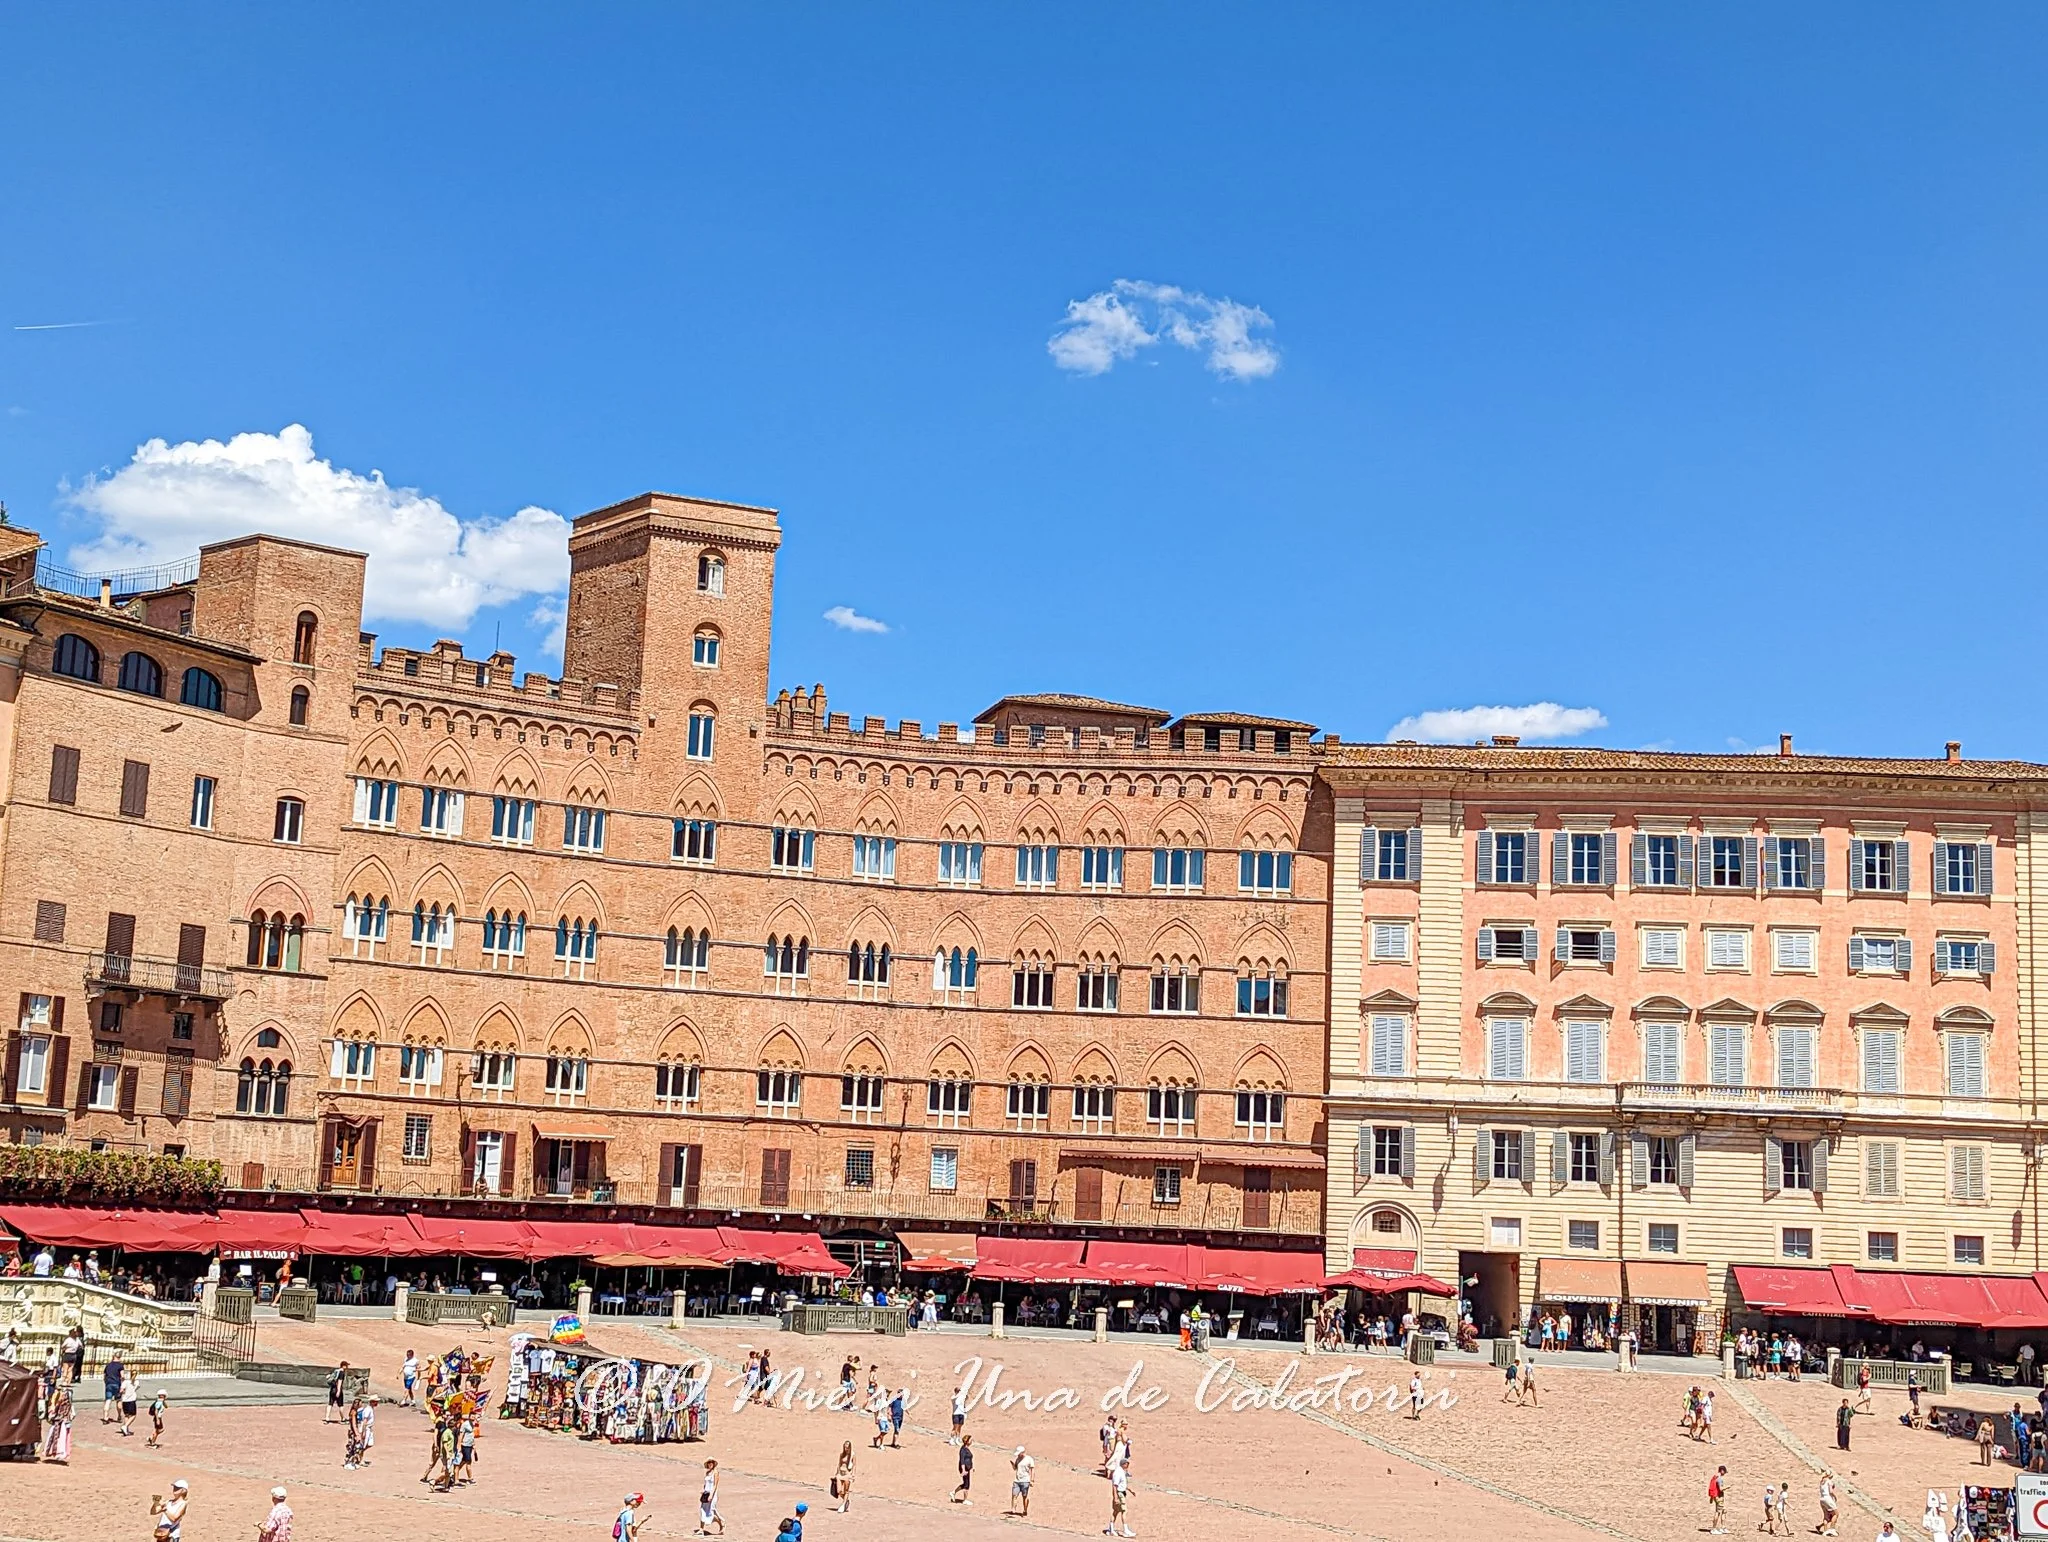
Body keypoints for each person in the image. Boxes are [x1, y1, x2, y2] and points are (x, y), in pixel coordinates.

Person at [41, 1382, 71, 1462]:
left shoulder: (65, 1395)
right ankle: (56, 1452)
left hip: (61, 1418)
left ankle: (59, 1452)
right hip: (59, 1418)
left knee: (61, 1435)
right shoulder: (59, 1395)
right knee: (57, 1435)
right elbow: (55, 1406)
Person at [1108, 1453, 1135, 1538]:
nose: (1128, 1466)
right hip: (1119, 1494)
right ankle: (1126, 1530)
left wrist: (1130, 1490)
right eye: (1127, 1464)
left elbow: (1122, 1484)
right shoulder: (1118, 1473)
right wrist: (1115, 1497)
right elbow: (1115, 1486)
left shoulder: (1122, 1472)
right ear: (1123, 1464)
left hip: (1122, 1492)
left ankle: (1111, 1529)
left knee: (1116, 1512)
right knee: (1124, 1511)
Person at [696, 1458, 724, 1535]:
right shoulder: (707, 1473)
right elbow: (705, 1484)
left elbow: (715, 1485)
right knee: (702, 1509)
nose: (710, 1464)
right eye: (709, 1462)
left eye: (711, 1462)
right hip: (706, 1494)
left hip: (712, 1494)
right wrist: (703, 1490)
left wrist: (711, 1495)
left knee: (711, 1511)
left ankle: (721, 1523)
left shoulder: (715, 1473)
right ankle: (701, 1529)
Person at [1011, 1445, 1036, 1517]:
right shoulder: (1018, 1459)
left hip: (1025, 1480)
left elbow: (1032, 1470)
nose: (1018, 1455)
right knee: (1014, 1495)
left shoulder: (1029, 1459)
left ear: (1022, 1452)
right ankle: (1013, 1509)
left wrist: (1032, 1480)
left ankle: (1025, 1510)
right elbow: (1015, 1468)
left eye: (1019, 1453)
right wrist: (1013, 1465)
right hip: (1017, 1480)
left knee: (1024, 1496)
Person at [103, 1349, 125, 1424]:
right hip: (117, 1384)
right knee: (118, 1400)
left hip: (109, 1384)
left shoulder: (108, 1365)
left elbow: (104, 1376)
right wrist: (122, 1385)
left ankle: (105, 1417)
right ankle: (119, 1416)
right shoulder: (120, 1366)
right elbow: (122, 1376)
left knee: (108, 1401)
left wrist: (106, 1383)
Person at [953, 1432, 975, 1504]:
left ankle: (953, 1492)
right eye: (970, 1440)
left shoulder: (966, 1449)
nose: (972, 1441)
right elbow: (962, 1460)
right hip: (964, 1468)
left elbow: (969, 1459)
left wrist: (972, 1467)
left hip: (967, 1468)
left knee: (965, 1483)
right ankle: (965, 1500)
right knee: (967, 1484)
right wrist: (963, 1470)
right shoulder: (963, 1450)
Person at [834, 1440, 855, 1512]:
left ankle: (843, 1505)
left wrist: (853, 1474)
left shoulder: (852, 1455)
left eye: (847, 1448)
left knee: (846, 1490)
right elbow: (839, 1464)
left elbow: (854, 1465)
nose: (846, 1449)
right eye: (845, 1447)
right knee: (839, 1491)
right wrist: (837, 1473)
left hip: (847, 1474)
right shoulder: (841, 1454)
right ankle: (846, 1501)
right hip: (840, 1473)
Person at [120, 1363, 139, 1436]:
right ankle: (125, 1426)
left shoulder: (125, 1382)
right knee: (133, 1415)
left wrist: (123, 1391)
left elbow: (121, 1391)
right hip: (131, 1400)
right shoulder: (136, 1382)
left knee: (126, 1415)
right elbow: (135, 1388)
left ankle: (126, 1430)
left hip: (125, 1400)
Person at [1818, 1472, 1839, 1537]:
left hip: (1822, 1499)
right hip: (1828, 1499)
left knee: (1826, 1515)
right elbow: (1831, 1491)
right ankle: (1832, 1529)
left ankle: (1825, 1531)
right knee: (1836, 1514)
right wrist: (1835, 1496)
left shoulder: (1822, 1482)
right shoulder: (1829, 1482)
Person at [1709, 1466, 1728, 1535]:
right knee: (1718, 1512)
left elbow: (1712, 1487)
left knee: (1723, 1511)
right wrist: (1727, 1487)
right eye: (1724, 1472)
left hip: (1715, 1497)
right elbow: (1720, 1489)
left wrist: (1711, 1498)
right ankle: (1714, 1529)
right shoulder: (1719, 1479)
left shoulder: (1714, 1477)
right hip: (1719, 1497)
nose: (1724, 1473)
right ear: (1722, 1471)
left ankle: (1723, 1527)